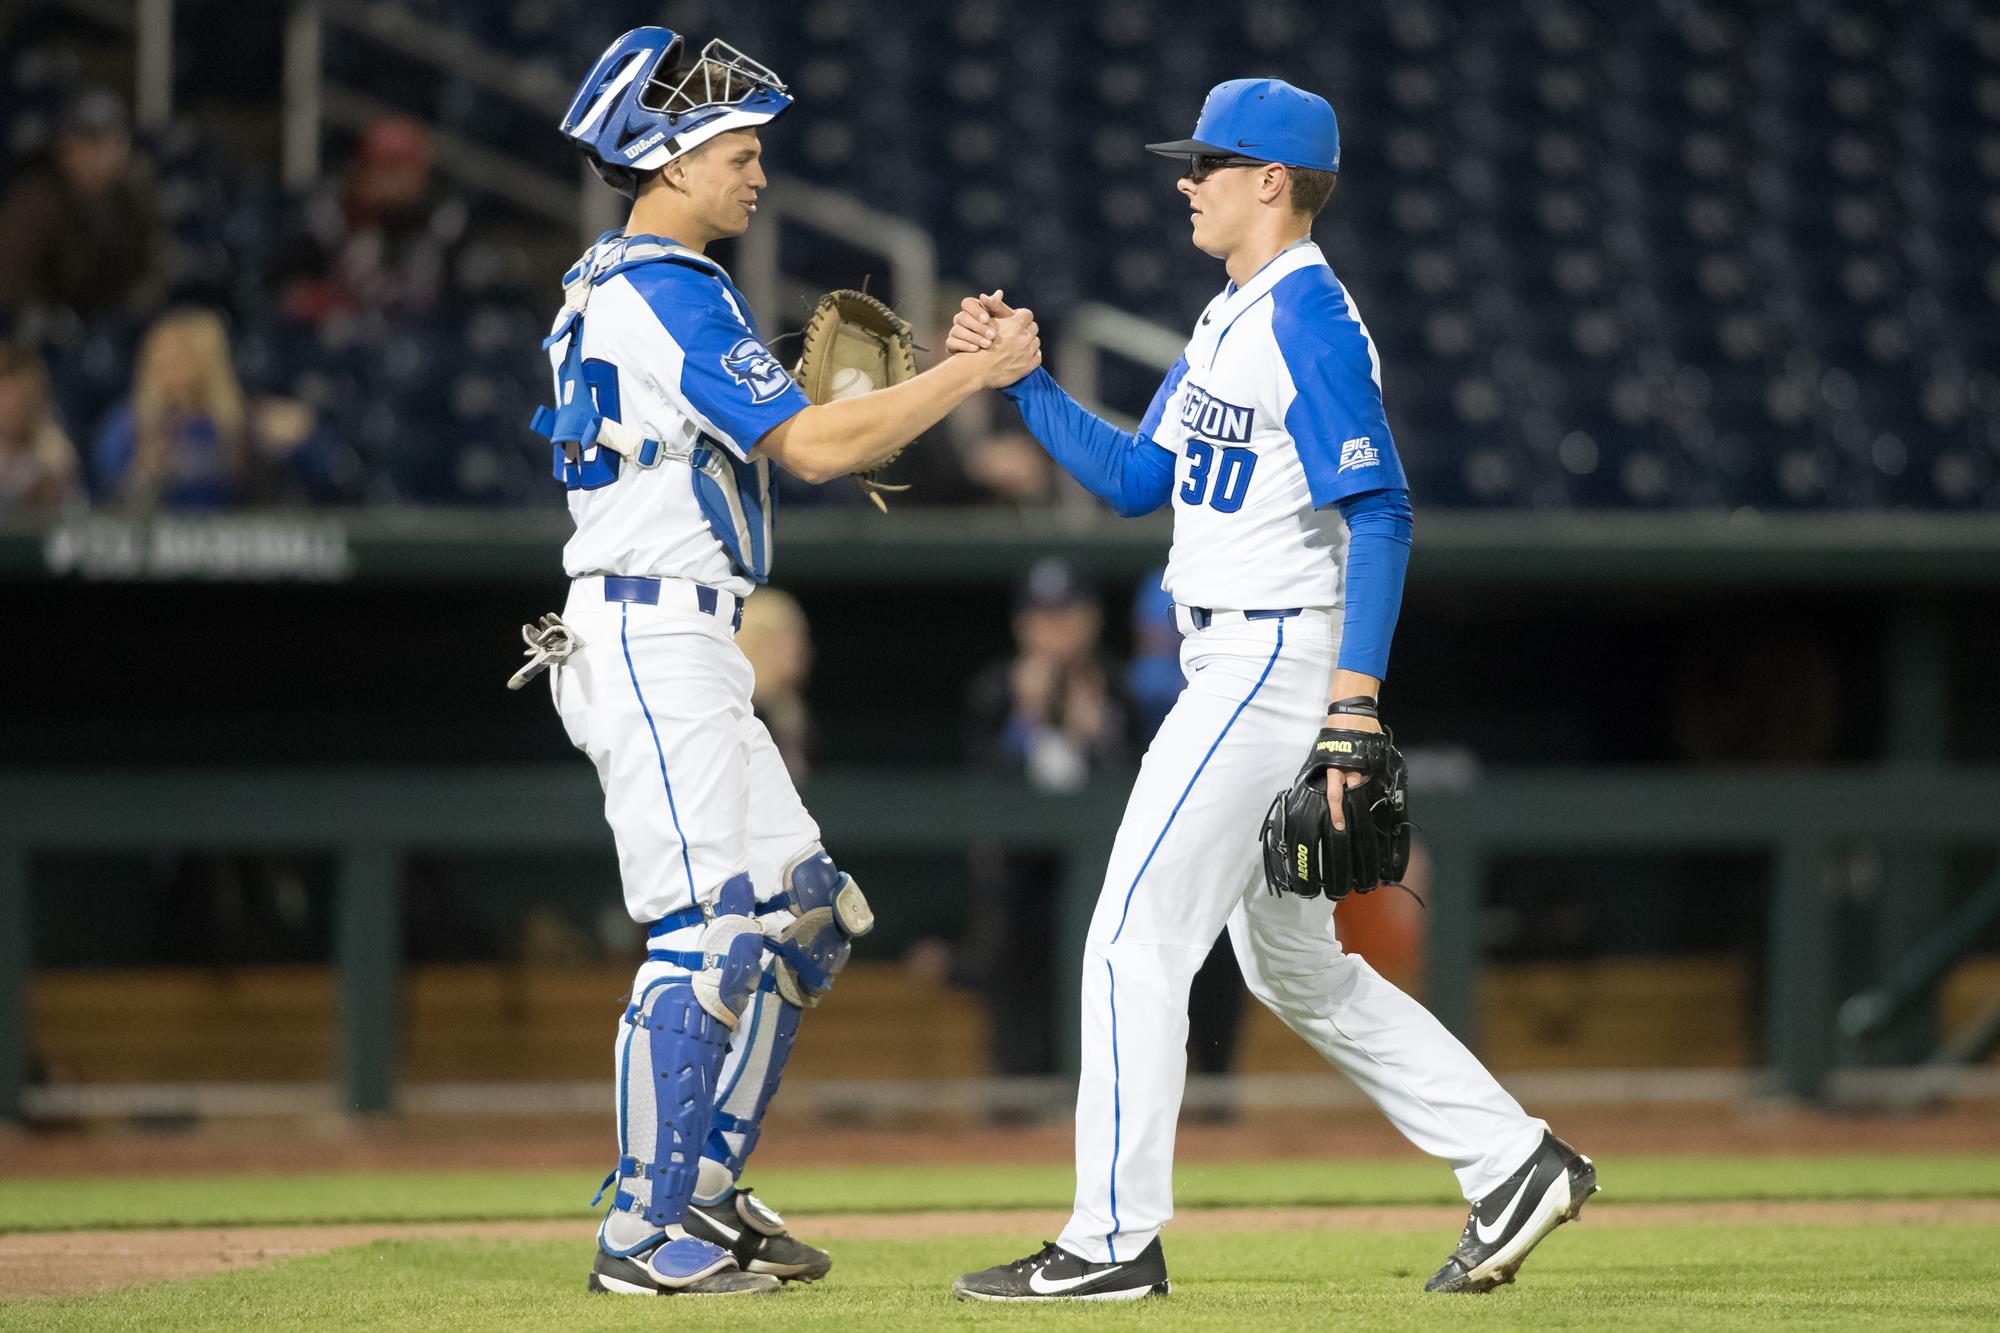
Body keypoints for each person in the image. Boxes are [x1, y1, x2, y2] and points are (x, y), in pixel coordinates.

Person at [946, 79, 1595, 1302]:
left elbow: (1382, 511)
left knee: (1132, 936)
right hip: (1241, 655)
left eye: (1205, 163)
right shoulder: (1229, 314)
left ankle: (1108, 1239)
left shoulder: (1309, 317)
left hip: (1269, 661)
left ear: (1270, 180)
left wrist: (1353, 703)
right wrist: (1023, 383)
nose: (1183, 181)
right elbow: (1135, 480)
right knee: (1292, 968)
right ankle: (1513, 1161)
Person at [528, 28, 1039, 1299]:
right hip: (649, 629)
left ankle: (704, 1188)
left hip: (679, 630)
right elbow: (812, 449)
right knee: (705, 932)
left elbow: (791, 438)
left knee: (804, 911)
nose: (758, 174)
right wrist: (970, 374)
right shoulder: (670, 287)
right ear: (669, 159)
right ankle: (641, 1233)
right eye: (738, 153)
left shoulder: (623, 279)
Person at [957, 558, 1134, 1081]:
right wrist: (1027, 719)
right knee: (1014, 953)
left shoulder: (1116, 685)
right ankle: (1017, 1098)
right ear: (1023, 623)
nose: (1055, 628)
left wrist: (1097, 736)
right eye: (1043, 615)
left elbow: (1143, 785)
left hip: (1105, 875)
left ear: (1092, 618)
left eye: (1067, 613)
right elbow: (978, 790)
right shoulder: (996, 690)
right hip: (1020, 879)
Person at [274, 117, 468, 323]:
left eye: (397, 167)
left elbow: (457, 305)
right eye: (376, 165)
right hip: (341, 327)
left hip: (418, 329)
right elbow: (289, 290)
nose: (386, 179)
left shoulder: (447, 217)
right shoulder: (329, 207)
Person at [0, 89, 164, 319]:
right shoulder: (34, 201)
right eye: (88, 143)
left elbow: (151, 272)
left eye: (111, 143)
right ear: (64, 147)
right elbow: (11, 284)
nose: (100, 156)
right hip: (45, 328)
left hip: (115, 326)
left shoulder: (135, 195)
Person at [0, 341, 82, 511]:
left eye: (22, 398)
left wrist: (49, 482)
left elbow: (73, 510)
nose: (11, 407)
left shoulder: (54, 452)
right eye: (5, 397)